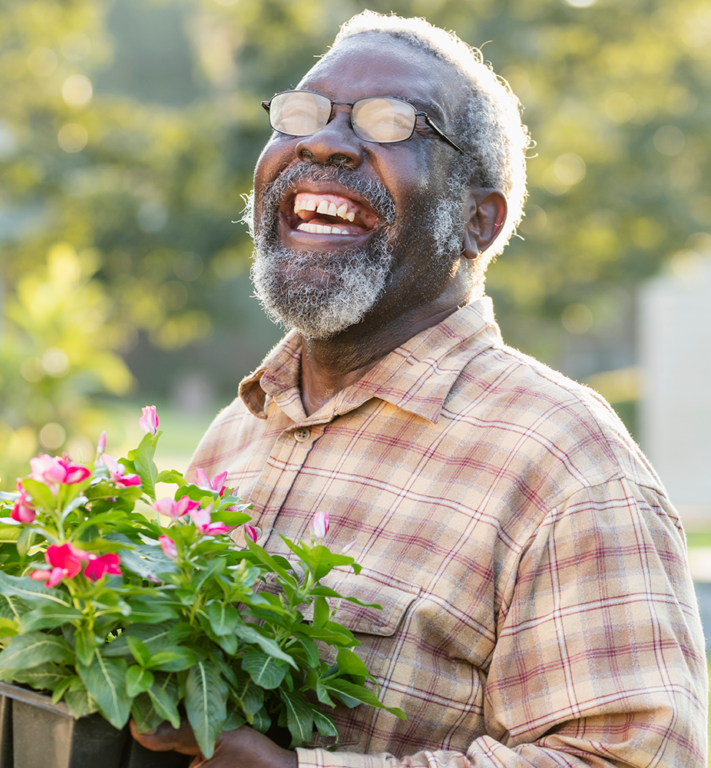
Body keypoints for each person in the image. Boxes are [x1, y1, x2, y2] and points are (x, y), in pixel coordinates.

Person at [132, 11, 707, 768]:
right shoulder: (241, 429)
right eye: (302, 113)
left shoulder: (566, 461)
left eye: (392, 123)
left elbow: (631, 759)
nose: (323, 142)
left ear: (479, 221)